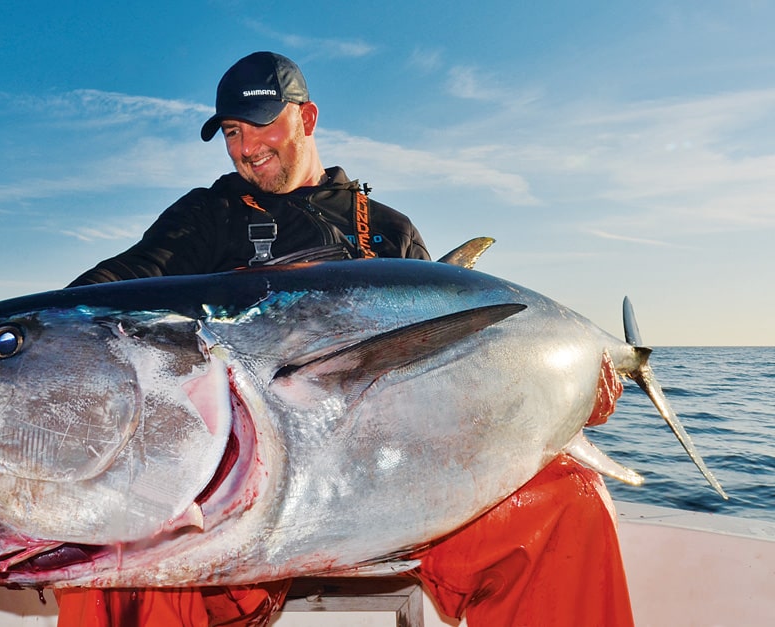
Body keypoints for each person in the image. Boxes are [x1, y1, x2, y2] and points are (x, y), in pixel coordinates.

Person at [54, 52, 635, 627]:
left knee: (567, 503)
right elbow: (112, 289)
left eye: (263, 124)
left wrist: (577, 391)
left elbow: (458, 369)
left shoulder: (387, 229)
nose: (247, 146)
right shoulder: (209, 216)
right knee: (110, 546)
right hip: (245, 508)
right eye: (232, 131)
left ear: (306, 119)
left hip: (402, 488)